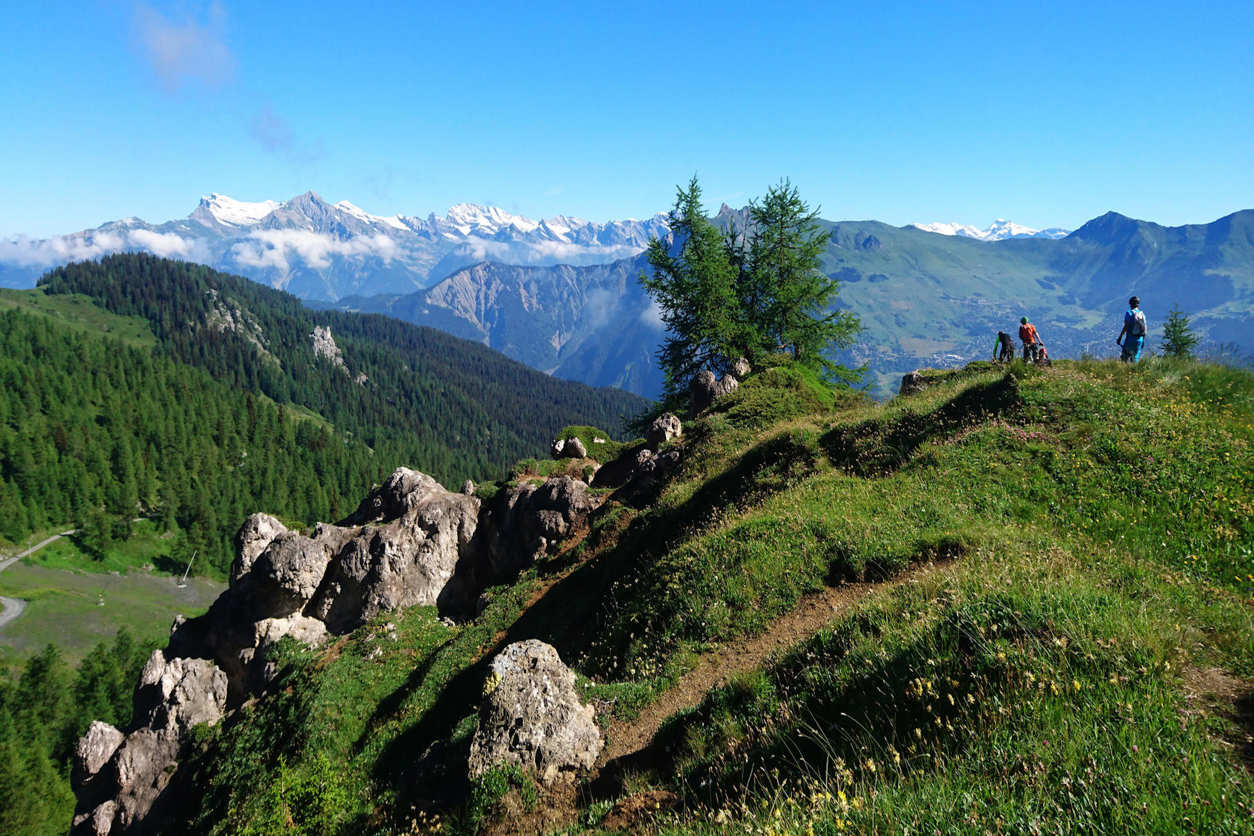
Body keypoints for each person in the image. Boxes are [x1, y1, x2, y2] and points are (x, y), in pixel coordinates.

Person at [1117, 296, 1147, 362]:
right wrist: (1143, 341)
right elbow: (1145, 329)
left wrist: (1120, 337)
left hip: (1130, 339)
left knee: (1124, 358)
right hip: (1140, 339)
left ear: (1130, 304)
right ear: (1138, 304)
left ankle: (1124, 371)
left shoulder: (1129, 313)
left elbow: (1126, 326)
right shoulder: (1142, 315)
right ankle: (1134, 370)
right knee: (1135, 359)